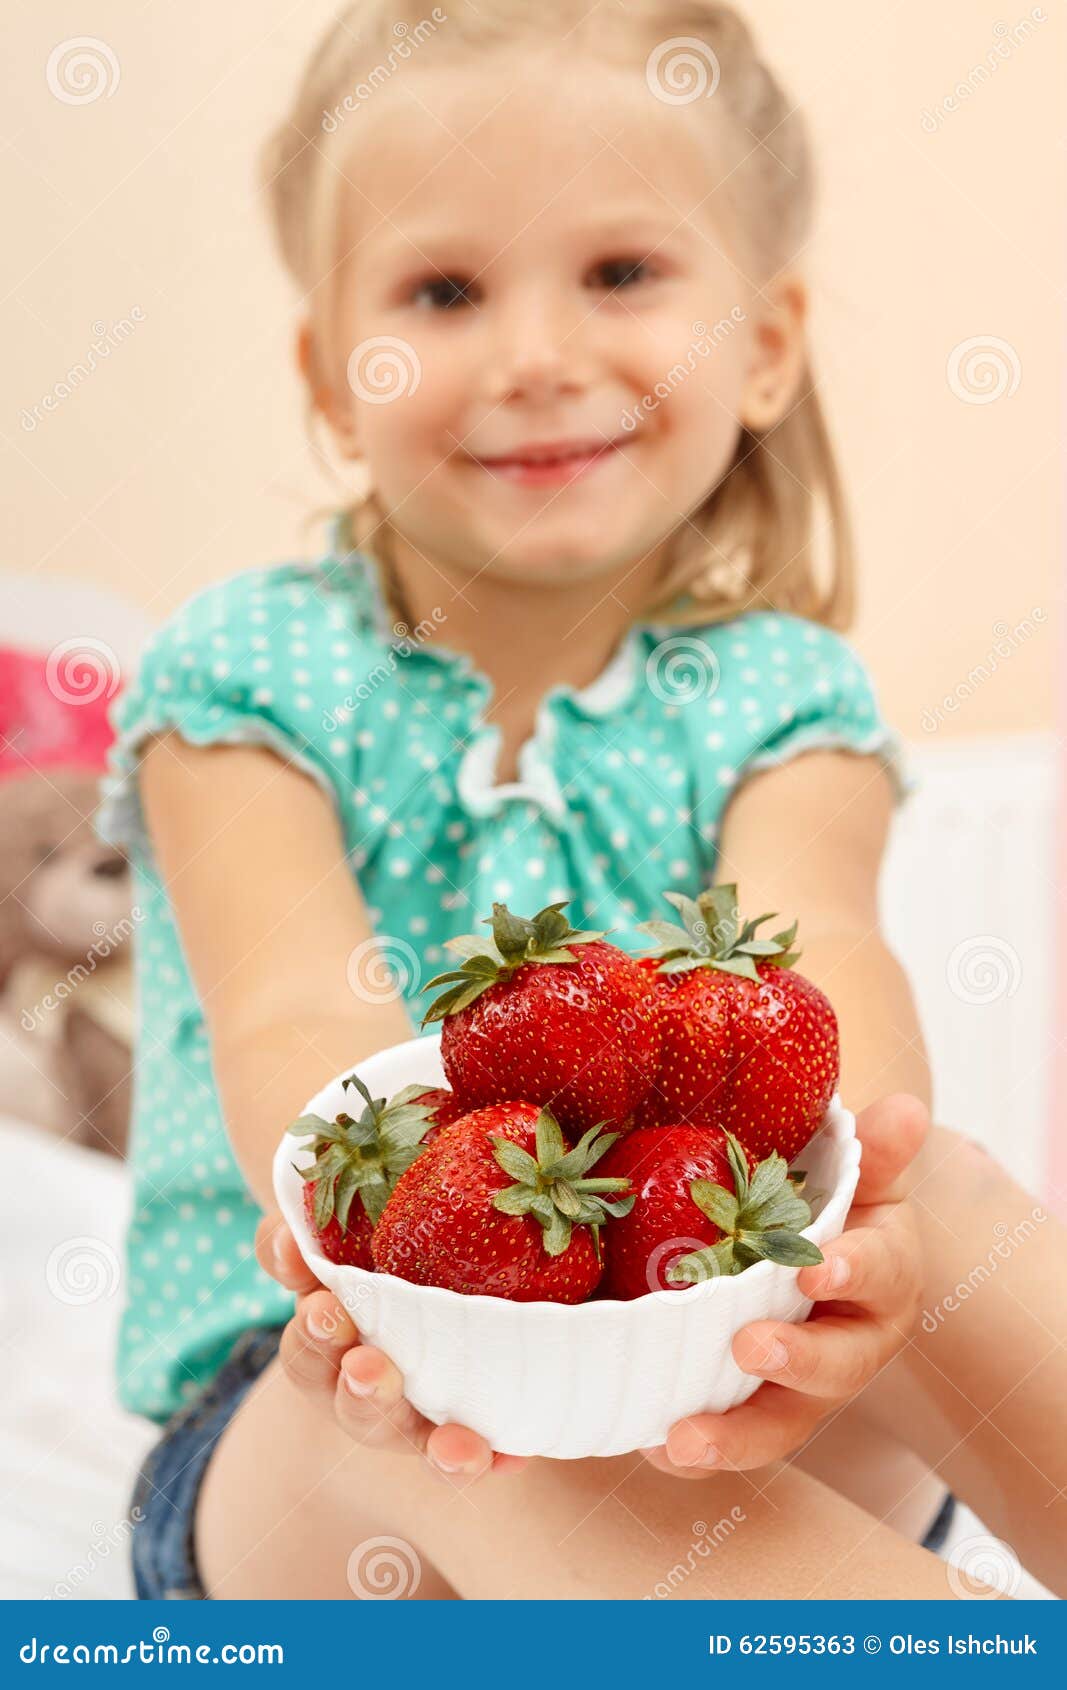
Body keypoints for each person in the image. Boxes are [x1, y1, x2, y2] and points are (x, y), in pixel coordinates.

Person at [94, 0, 1042, 1601]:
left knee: (940, 1206)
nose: (534, 359)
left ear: (763, 350)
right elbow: (287, 1023)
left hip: (708, 1350)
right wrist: (473, 1308)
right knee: (411, 1423)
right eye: (446, 291)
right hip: (331, 1389)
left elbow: (829, 987)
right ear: (333, 377)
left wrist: (819, 1276)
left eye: (619, 275)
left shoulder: (781, 698)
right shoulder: (240, 678)